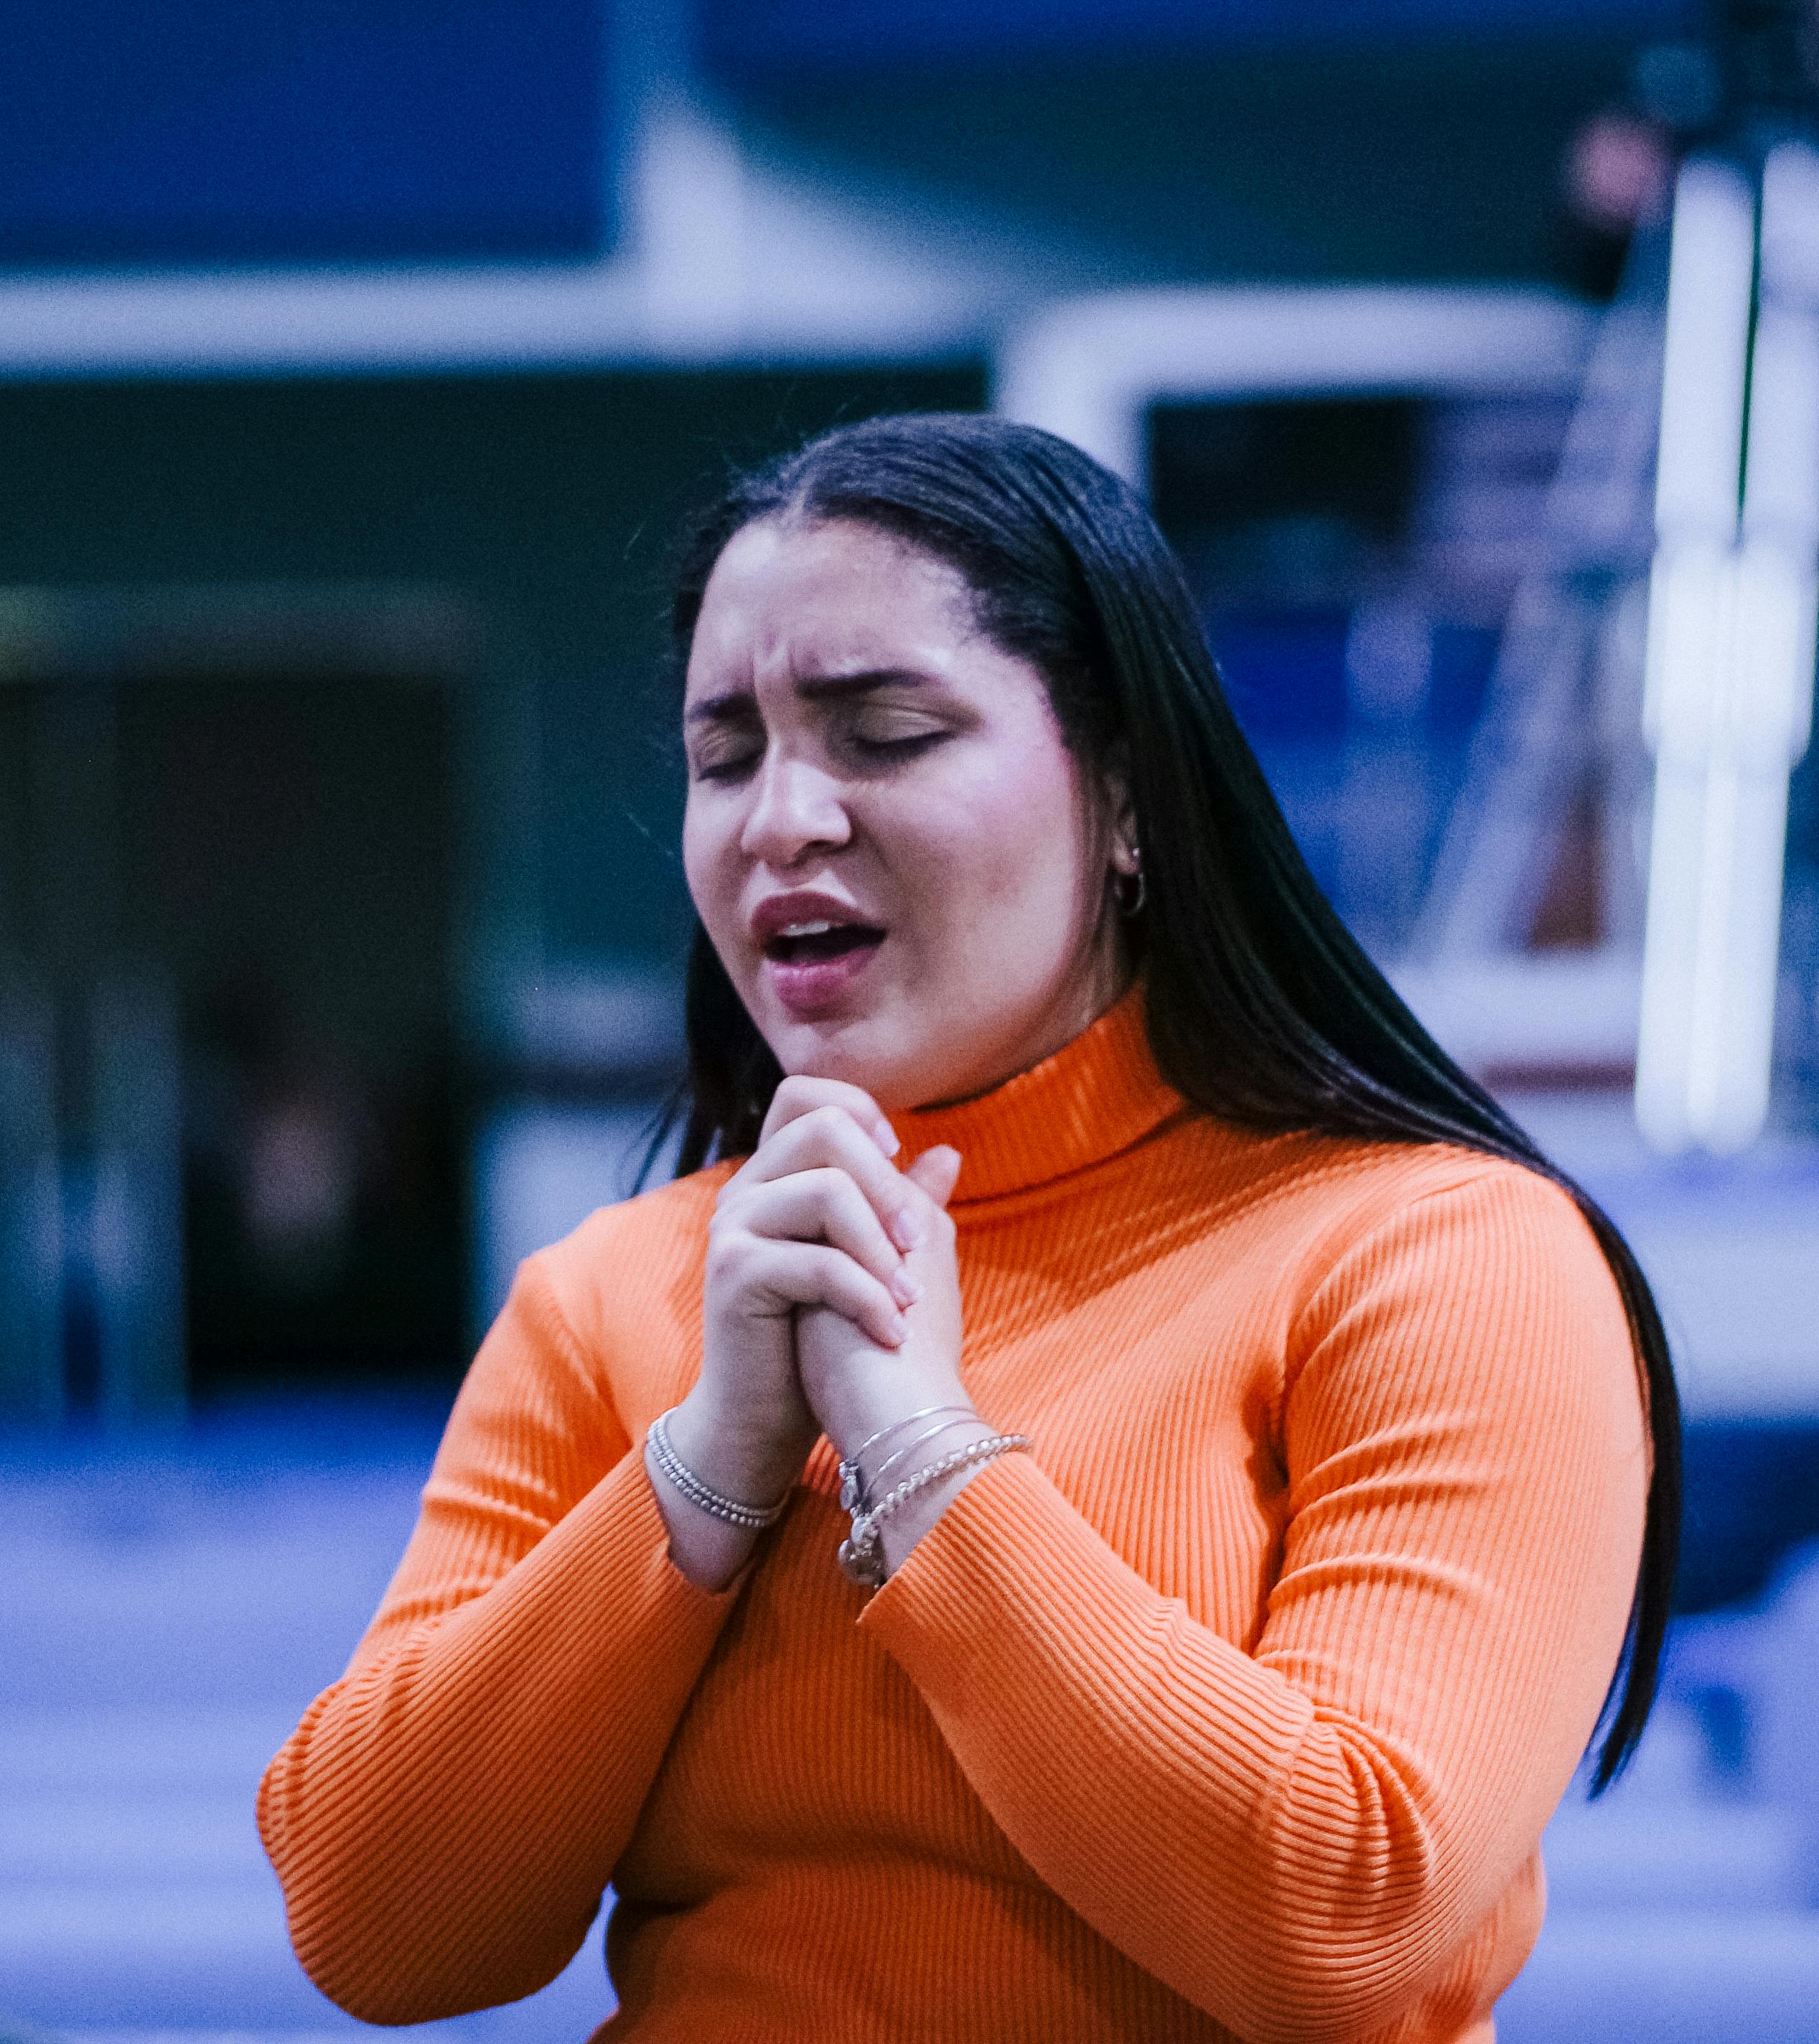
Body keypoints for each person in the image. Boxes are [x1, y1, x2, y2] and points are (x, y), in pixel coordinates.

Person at [258, 413, 1678, 2043]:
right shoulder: (618, 1293)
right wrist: (709, 1461)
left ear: (1130, 797)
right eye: (726, 753)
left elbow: (1340, 1913)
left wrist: (924, 1453)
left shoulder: (1437, 1257)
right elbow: (373, 1924)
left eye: (881, 730)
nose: (778, 816)